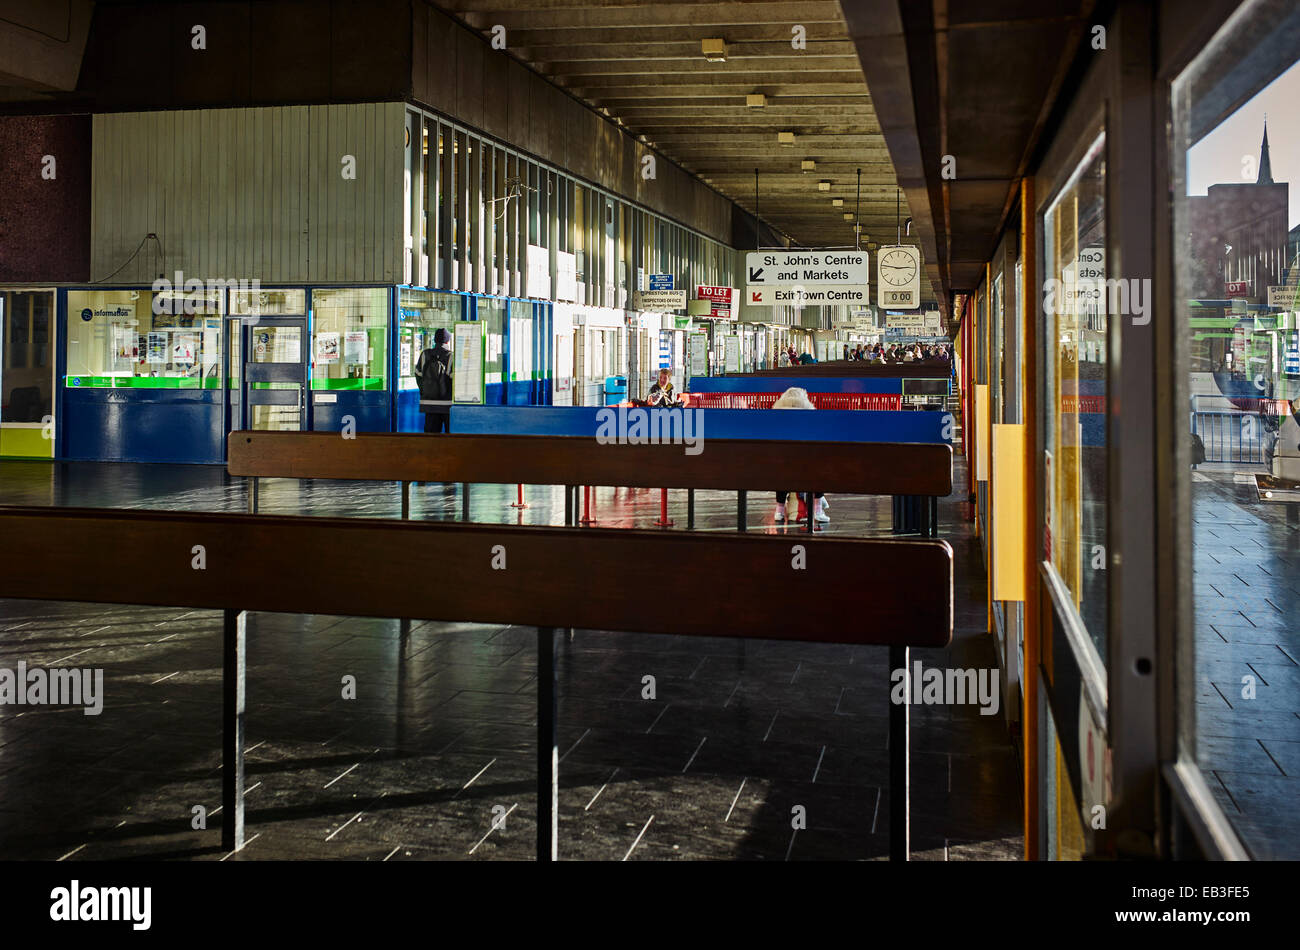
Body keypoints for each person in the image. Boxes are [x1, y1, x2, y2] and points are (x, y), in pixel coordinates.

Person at [770, 387, 829, 525]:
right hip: (807, 465)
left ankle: (779, 510)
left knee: (782, 469)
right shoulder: (809, 415)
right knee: (819, 466)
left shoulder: (776, 416)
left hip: (782, 465)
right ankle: (818, 508)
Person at [415, 327, 453, 433]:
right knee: (452, 437)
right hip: (447, 404)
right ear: (447, 341)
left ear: (435, 340)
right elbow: (454, 379)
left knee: (431, 437)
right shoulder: (450, 356)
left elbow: (418, 374)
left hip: (429, 403)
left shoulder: (425, 354)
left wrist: (425, 390)